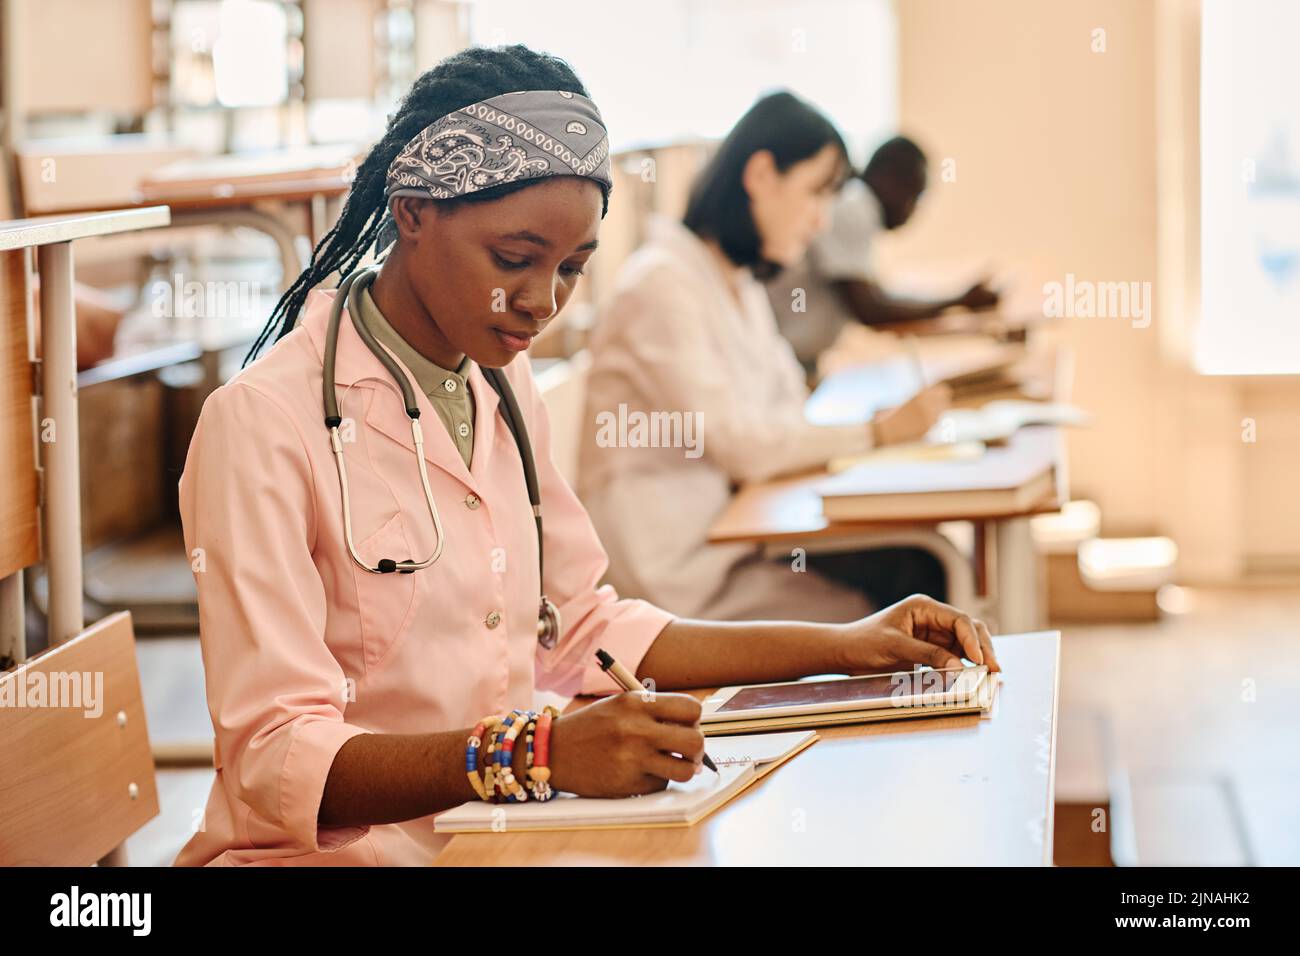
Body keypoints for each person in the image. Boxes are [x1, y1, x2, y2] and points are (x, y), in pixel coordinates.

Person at [174, 48, 995, 867]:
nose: (542, 303)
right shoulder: (263, 424)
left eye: (571, 268)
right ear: (414, 211)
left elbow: (587, 629)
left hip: (495, 834)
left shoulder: (498, 379)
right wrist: (534, 752)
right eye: (513, 260)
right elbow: (274, 759)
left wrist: (848, 647)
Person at [579, 92, 951, 625]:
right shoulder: (659, 284)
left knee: (915, 565)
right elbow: (746, 448)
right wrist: (878, 433)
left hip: (738, 535)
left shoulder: (738, 285)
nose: (822, 221)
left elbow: (787, 413)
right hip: (680, 578)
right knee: (910, 584)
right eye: (817, 192)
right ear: (760, 176)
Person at [767, 135, 1002, 371]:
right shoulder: (854, 207)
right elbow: (872, 310)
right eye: (915, 195)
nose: (914, 209)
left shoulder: (856, 206)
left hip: (796, 357)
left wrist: (958, 299)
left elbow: (877, 297)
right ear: (889, 179)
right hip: (784, 358)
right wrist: (958, 300)